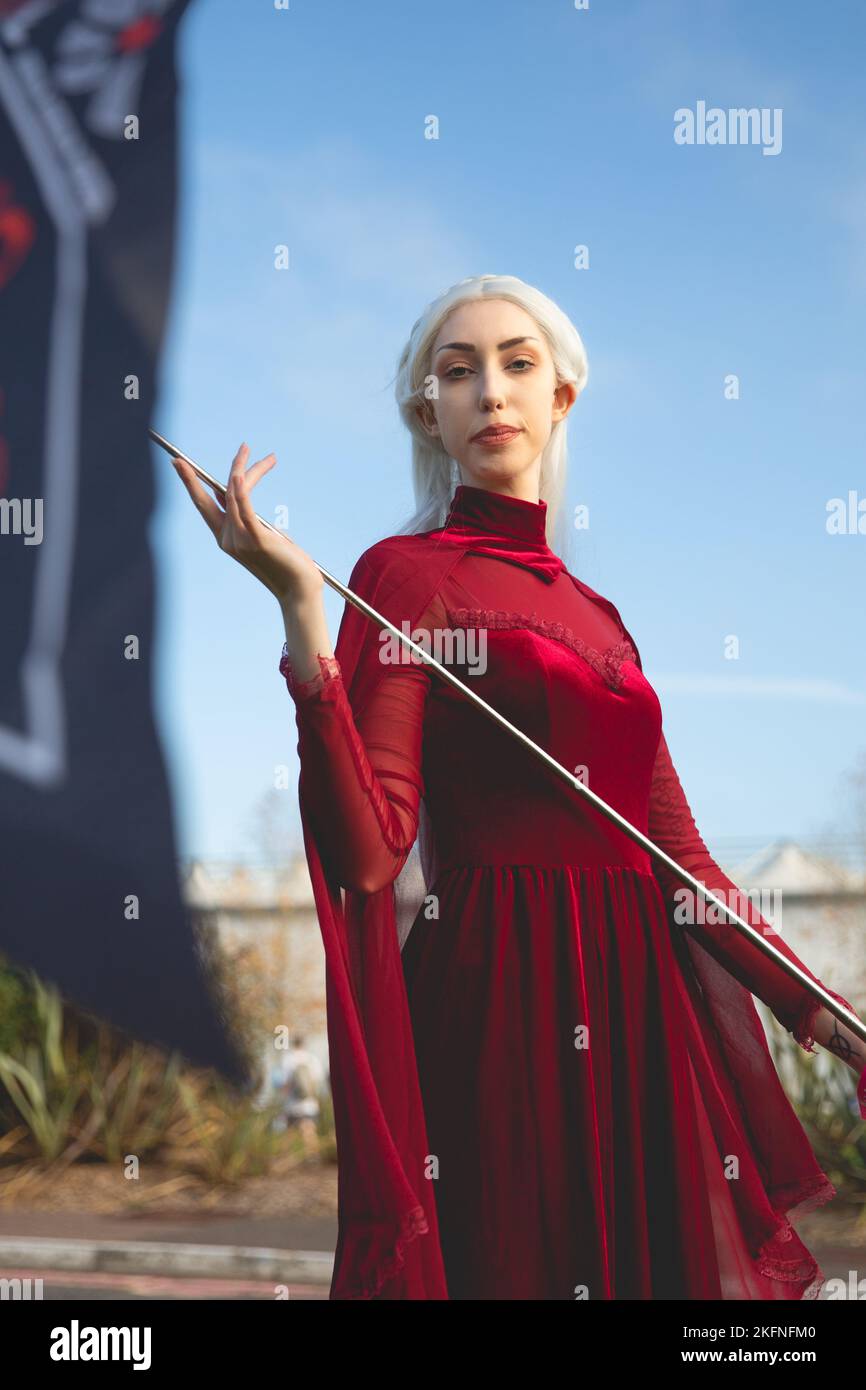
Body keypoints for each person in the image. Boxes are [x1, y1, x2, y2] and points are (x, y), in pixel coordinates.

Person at [172, 273, 866, 1302]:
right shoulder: (401, 578)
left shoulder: (602, 618)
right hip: (495, 1002)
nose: (489, 389)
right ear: (427, 412)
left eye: (516, 363)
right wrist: (301, 613)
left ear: (560, 398)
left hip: (639, 1022)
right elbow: (368, 850)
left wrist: (834, 1023)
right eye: (457, 372)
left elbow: (682, 867)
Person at [270, 1033, 326, 1151]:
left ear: (293, 1044)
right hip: (309, 1103)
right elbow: (318, 1080)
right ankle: (313, 1155)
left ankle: (288, 1157)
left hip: (292, 1103)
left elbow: (284, 1082)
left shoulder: (288, 1059)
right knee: (309, 1130)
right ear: (304, 1044)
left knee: (290, 1131)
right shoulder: (312, 1059)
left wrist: (281, 1098)